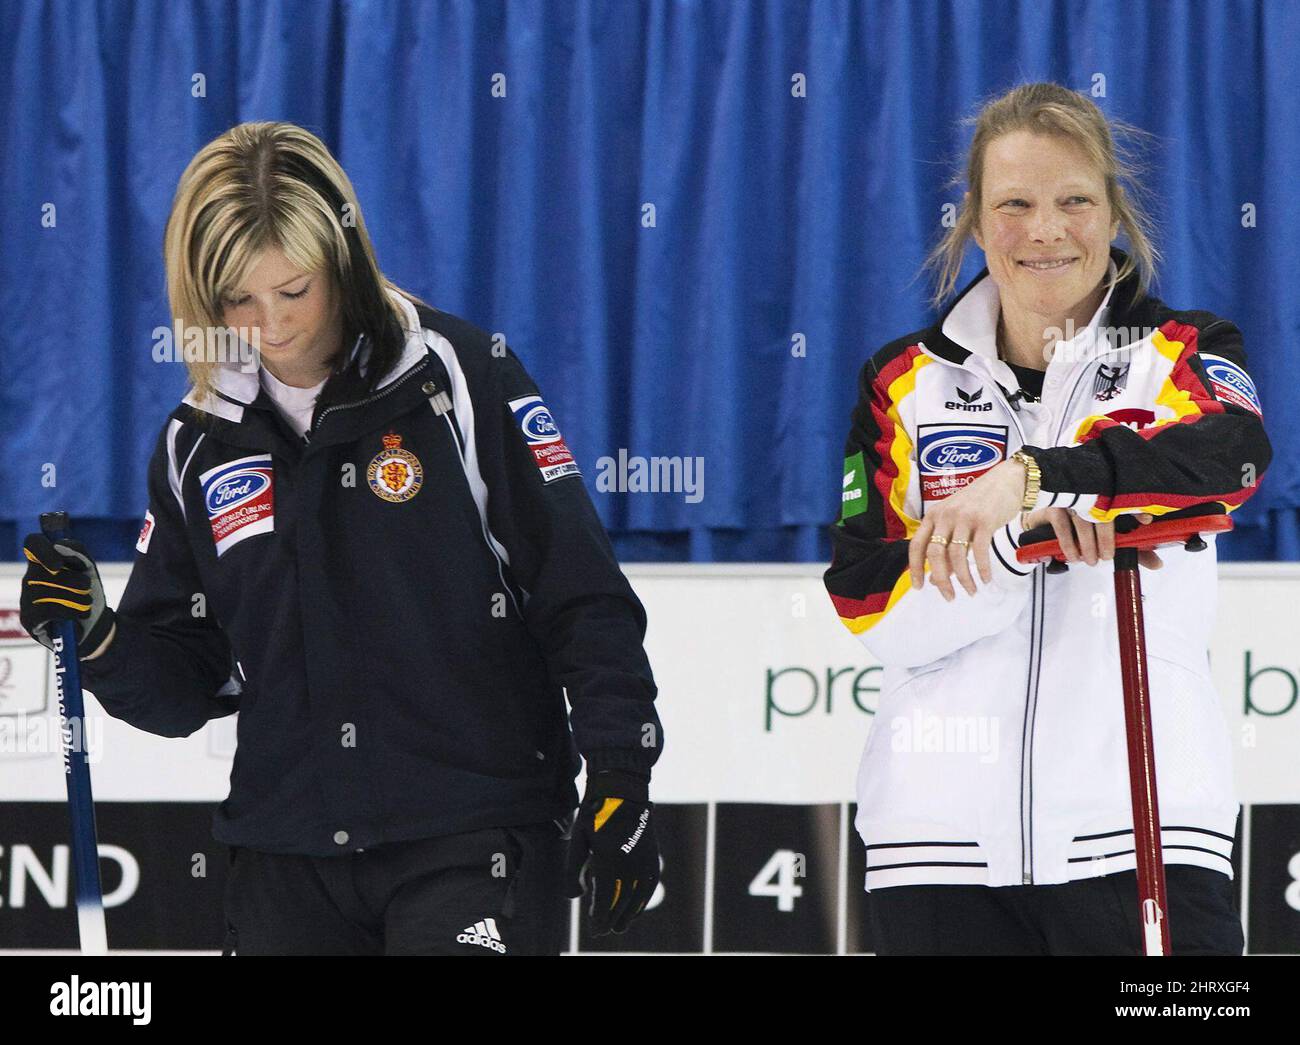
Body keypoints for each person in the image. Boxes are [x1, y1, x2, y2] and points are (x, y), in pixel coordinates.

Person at [19, 121, 662, 955]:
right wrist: (99, 637)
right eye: (239, 301)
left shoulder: (453, 374)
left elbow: (581, 590)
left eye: (294, 290)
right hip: (287, 859)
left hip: (471, 838)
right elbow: (190, 684)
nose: (273, 326)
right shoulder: (199, 442)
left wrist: (621, 771)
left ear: (342, 264)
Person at [824, 83, 1270, 956]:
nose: (1046, 229)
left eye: (1075, 200)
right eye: (1015, 203)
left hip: (1147, 834)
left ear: (1112, 212)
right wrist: (1021, 545)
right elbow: (864, 600)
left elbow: (1234, 463)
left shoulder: (1180, 350)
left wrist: (1036, 478)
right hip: (934, 849)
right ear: (975, 220)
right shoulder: (904, 380)